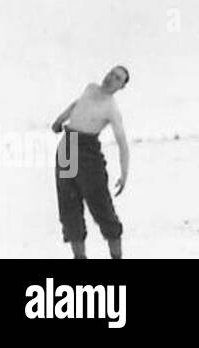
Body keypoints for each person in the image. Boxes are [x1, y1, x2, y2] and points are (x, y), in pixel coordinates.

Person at [50, 65, 131, 259]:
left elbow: (122, 143)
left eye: (118, 78)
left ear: (121, 87)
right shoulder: (91, 88)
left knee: (101, 207)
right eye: (111, 73)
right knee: (69, 207)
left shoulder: (111, 108)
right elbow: (77, 104)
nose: (111, 78)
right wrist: (60, 119)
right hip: (67, 147)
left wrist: (124, 174)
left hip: (88, 154)